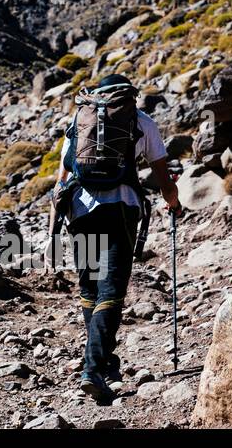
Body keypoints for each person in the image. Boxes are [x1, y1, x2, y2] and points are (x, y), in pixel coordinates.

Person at [50, 74, 181, 405]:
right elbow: (162, 177)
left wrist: (53, 226)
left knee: (89, 288)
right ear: (128, 96)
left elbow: (61, 177)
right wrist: (173, 202)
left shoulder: (80, 119)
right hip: (120, 208)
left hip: (79, 209)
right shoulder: (141, 120)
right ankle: (92, 369)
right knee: (110, 291)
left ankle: (104, 363)